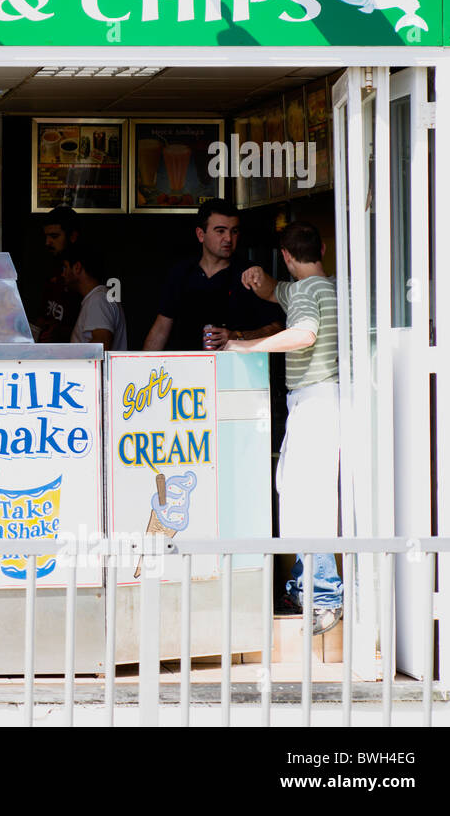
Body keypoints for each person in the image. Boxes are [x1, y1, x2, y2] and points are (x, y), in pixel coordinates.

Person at [226, 222, 342, 635]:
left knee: (307, 497)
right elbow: (277, 292)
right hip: (319, 400)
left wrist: (248, 345)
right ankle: (301, 586)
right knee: (296, 491)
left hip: (315, 398)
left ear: (288, 256)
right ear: (322, 247)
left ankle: (324, 595)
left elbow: (304, 333)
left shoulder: (310, 294)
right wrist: (261, 278)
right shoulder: (326, 287)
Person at [142, 198, 283, 351]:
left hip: (238, 370)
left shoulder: (251, 274)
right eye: (220, 231)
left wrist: (238, 336)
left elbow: (277, 329)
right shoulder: (181, 273)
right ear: (201, 234)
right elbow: (161, 330)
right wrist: (143, 370)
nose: (228, 239)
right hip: (187, 369)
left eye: (234, 231)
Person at [62, 244, 127, 350]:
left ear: (77, 267)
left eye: (65, 267)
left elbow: (101, 345)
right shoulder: (98, 297)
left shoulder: (98, 299)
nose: (62, 274)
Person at [30, 206, 81, 343]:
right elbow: (42, 317)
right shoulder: (49, 269)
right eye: (46, 236)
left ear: (73, 236)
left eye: (54, 236)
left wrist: (60, 332)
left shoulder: (83, 278)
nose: (48, 242)